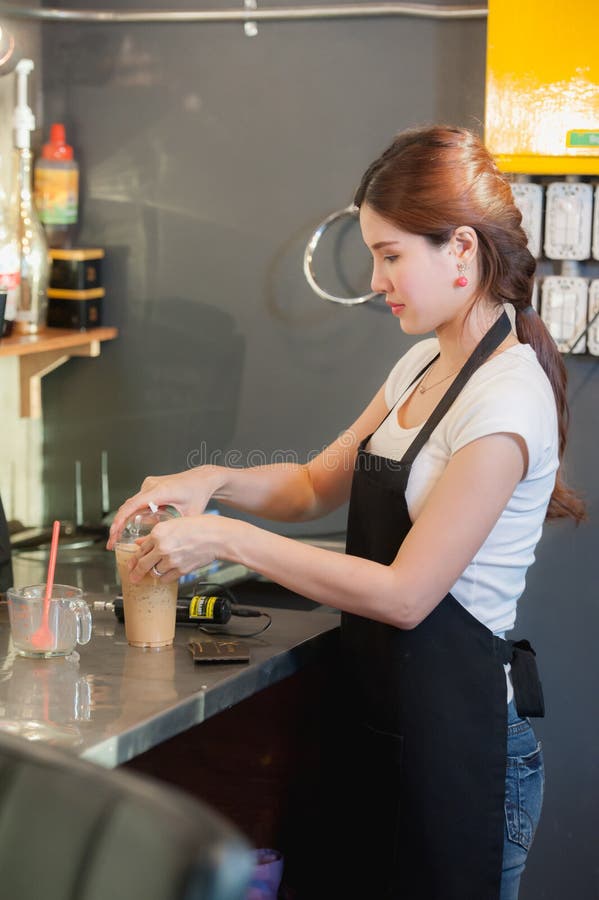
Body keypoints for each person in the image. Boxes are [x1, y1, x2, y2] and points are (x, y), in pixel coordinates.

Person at [107, 125, 585, 900]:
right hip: (381, 733)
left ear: (460, 249)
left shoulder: (506, 402)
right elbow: (310, 487)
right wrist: (206, 482)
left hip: (459, 758)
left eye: (389, 254)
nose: (374, 279)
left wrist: (227, 538)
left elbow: (405, 594)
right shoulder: (423, 363)